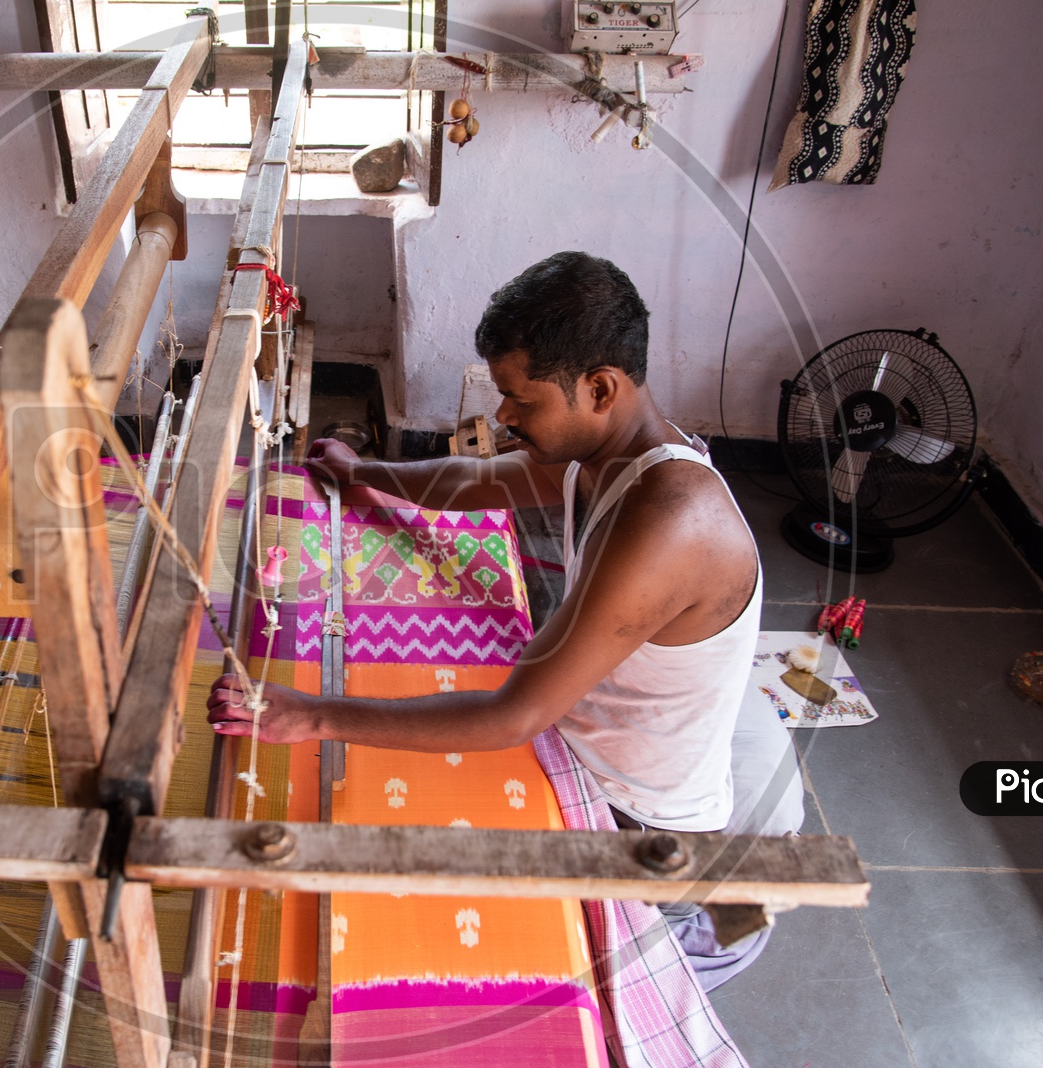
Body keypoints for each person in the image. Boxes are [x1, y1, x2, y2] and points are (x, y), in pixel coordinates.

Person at [206, 251, 797, 987]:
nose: (504, 417)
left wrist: (312, 715)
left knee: (445, 942)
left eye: (522, 400)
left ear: (600, 388)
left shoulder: (671, 520)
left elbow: (514, 714)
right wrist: (366, 478)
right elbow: (485, 479)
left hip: (636, 825)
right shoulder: (616, 450)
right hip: (601, 747)